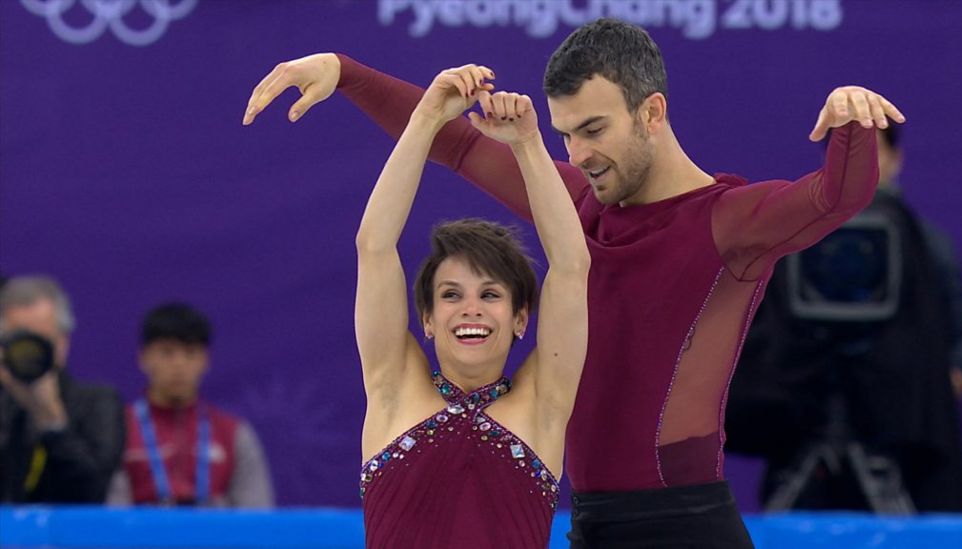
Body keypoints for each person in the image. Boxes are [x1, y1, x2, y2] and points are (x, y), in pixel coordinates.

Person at [243, 18, 903, 547]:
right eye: (564, 135)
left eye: (593, 130)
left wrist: (854, 123)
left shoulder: (727, 221)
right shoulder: (574, 203)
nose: (579, 154)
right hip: (589, 523)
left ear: (652, 112)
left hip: (685, 527)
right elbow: (458, 146)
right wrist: (346, 73)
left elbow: (834, 199)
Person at [353, 63, 589, 548]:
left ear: (522, 318)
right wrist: (428, 117)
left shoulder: (543, 405)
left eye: (490, 295)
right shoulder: (391, 388)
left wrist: (527, 144)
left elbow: (571, 265)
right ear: (427, 319)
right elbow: (374, 245)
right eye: (451, 295)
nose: (471, 310)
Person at [725, 125, 962, 512]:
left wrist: (954, 373)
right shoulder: (796, 239)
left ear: (896, 159)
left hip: (896, 434)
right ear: (830, 163)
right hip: (805, 422)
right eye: (850, 156)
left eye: (872, 154)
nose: (864, 168)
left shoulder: (929, 247)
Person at [107, 303, 274, 507]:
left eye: (190, 353)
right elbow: (111, 518)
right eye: (167, 353)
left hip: (214, 538)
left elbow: (256, 518)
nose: (179, 365)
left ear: (205, 360)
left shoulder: (234, 433)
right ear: (144, 358)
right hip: (140, 538)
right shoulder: (117, 429)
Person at [0, 275, 124, 503]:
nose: (29, 352)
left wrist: (51, 419)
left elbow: (92, 489)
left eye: (39, 340)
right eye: (19, 341)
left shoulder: (97, 401)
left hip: (72, 536)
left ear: (63, 341)